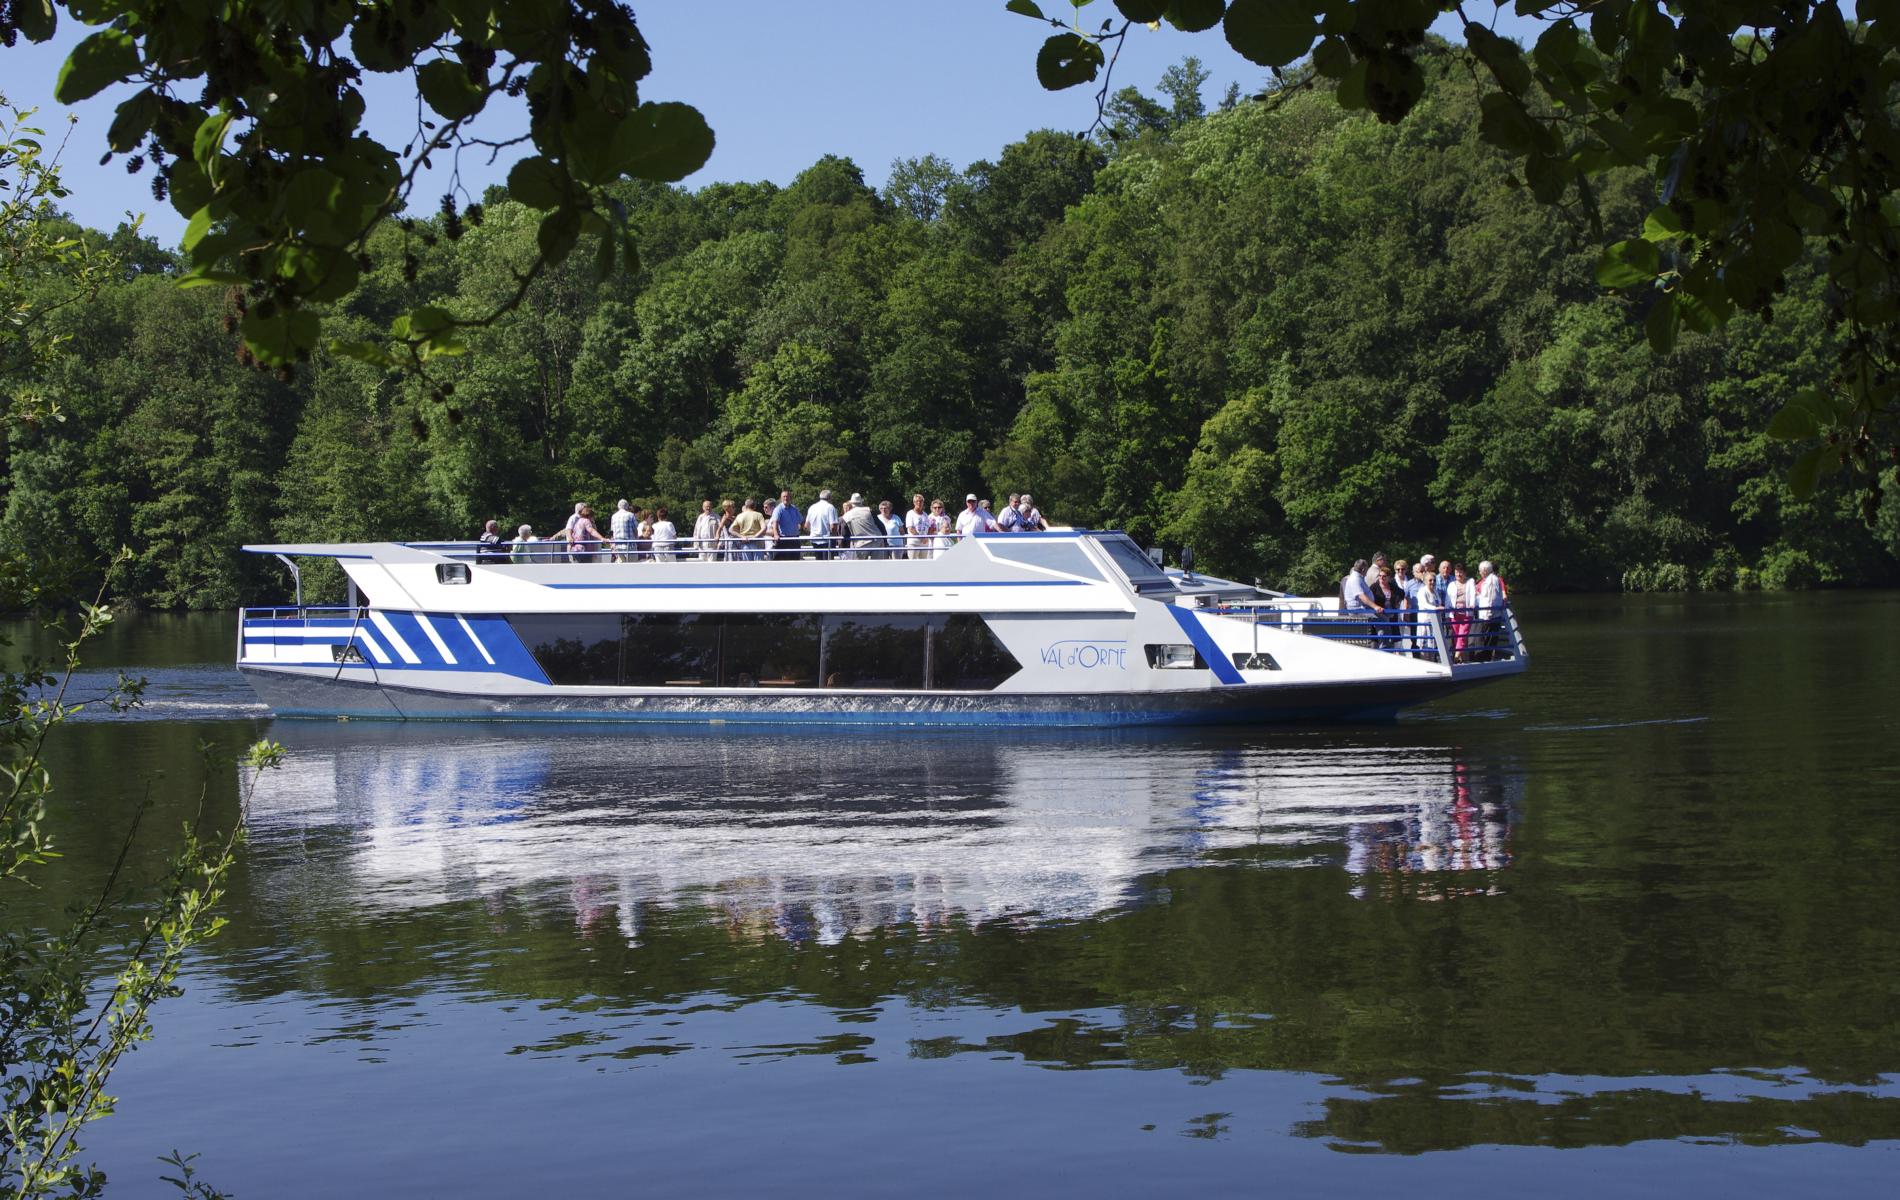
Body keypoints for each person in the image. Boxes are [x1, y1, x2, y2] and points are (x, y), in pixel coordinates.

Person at [1474, 560, 1505, 660]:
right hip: (1489, 615)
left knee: (1486, 639)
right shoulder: (1491, 579)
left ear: (1484, 570)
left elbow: (1492, 598)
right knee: (1487, 639)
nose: (1479, 573)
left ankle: (1484, 659)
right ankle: (1484, 657)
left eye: (1480, 571)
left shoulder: (1491, 581)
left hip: (1489, 616)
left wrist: (1489, 614)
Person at [844, 494, 885, 559]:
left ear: (851, 503)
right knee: (878, 566)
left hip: (861, 543)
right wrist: (885, 539)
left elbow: (844, 532)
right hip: (877, 540)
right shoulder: (869, 510)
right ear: (861, 502)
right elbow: (881, 525)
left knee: (859, 566)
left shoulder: (846, 515)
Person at [1447, 562, 1473, 662]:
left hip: (1466, 614)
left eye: (1460, 572)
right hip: (1454, 614)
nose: (1458, 574)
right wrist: (1447, 613)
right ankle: (1463, 659)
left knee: (1462, 636)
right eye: (1457, 572)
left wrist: (1472, 604)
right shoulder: (1451, 584)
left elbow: (1473, 596)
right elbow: (1447, 599)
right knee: (1456, 636)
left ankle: (1455, 658)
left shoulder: (1470, 582)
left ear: (1465, 573)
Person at [806, 488, 839, 560]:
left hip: (814, 539)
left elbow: (806, 525)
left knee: (818, 562)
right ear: (829, 498)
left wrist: (814, 531)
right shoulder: (830, 507)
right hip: (827, 540)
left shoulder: (812, 507)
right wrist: (834, 538)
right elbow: (833, 527)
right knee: (828, 564)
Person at [773, 489, 802, 558]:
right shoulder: (778, 509)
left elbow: (801, 520)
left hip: (795, 539)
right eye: (784, 496)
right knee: (783, 561)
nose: (786, 498)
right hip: (784, 539)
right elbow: (775, 522)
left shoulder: (794, 508)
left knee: (795, 559)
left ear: (790, 498)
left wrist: (801, 529)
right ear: (781, 498)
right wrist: (776, 534)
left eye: (787, 496)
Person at [905, 494, 932, 560]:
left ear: (923, 502)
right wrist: (921, 538)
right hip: (914, 543)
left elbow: (928, 528)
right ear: (914, 502)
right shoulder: (910, 513)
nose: (919, 503)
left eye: (921, 501)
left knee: (923, 564)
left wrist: (927, 537)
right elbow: (911, 528)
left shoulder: (925, 514)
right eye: (917, 501)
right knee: (912, 564)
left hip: (924, 543)